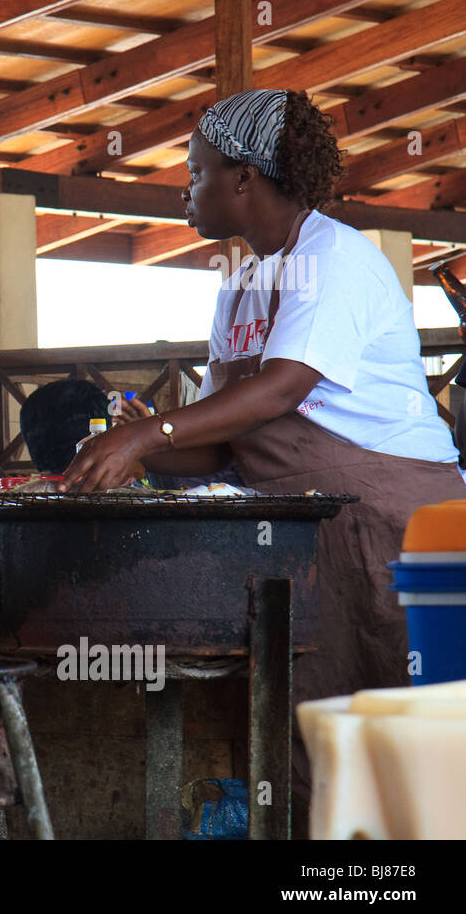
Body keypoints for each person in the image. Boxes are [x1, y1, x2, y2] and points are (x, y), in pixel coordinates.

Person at [62, 88, 466, 829]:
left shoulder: (334, 257)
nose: (186, 189)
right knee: (317, 735)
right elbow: (220, 443)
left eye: (197, 171)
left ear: (245, 177)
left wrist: (148, 439)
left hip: (393, 524)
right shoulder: (240, 289)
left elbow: (282, 390)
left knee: (421, 739)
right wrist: (139, 446)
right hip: (306, 534)